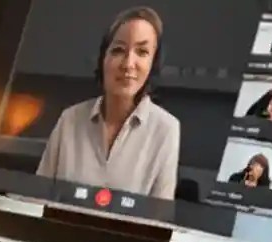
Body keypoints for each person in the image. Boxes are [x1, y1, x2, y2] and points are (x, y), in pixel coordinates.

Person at [36, 6, 181, 200]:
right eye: (119, 50)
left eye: (142, 52)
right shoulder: (70, 119)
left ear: (152, 64)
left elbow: (159, 215)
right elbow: (36, 198)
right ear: (103, 58)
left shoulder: (166, 129)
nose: (128, 64)